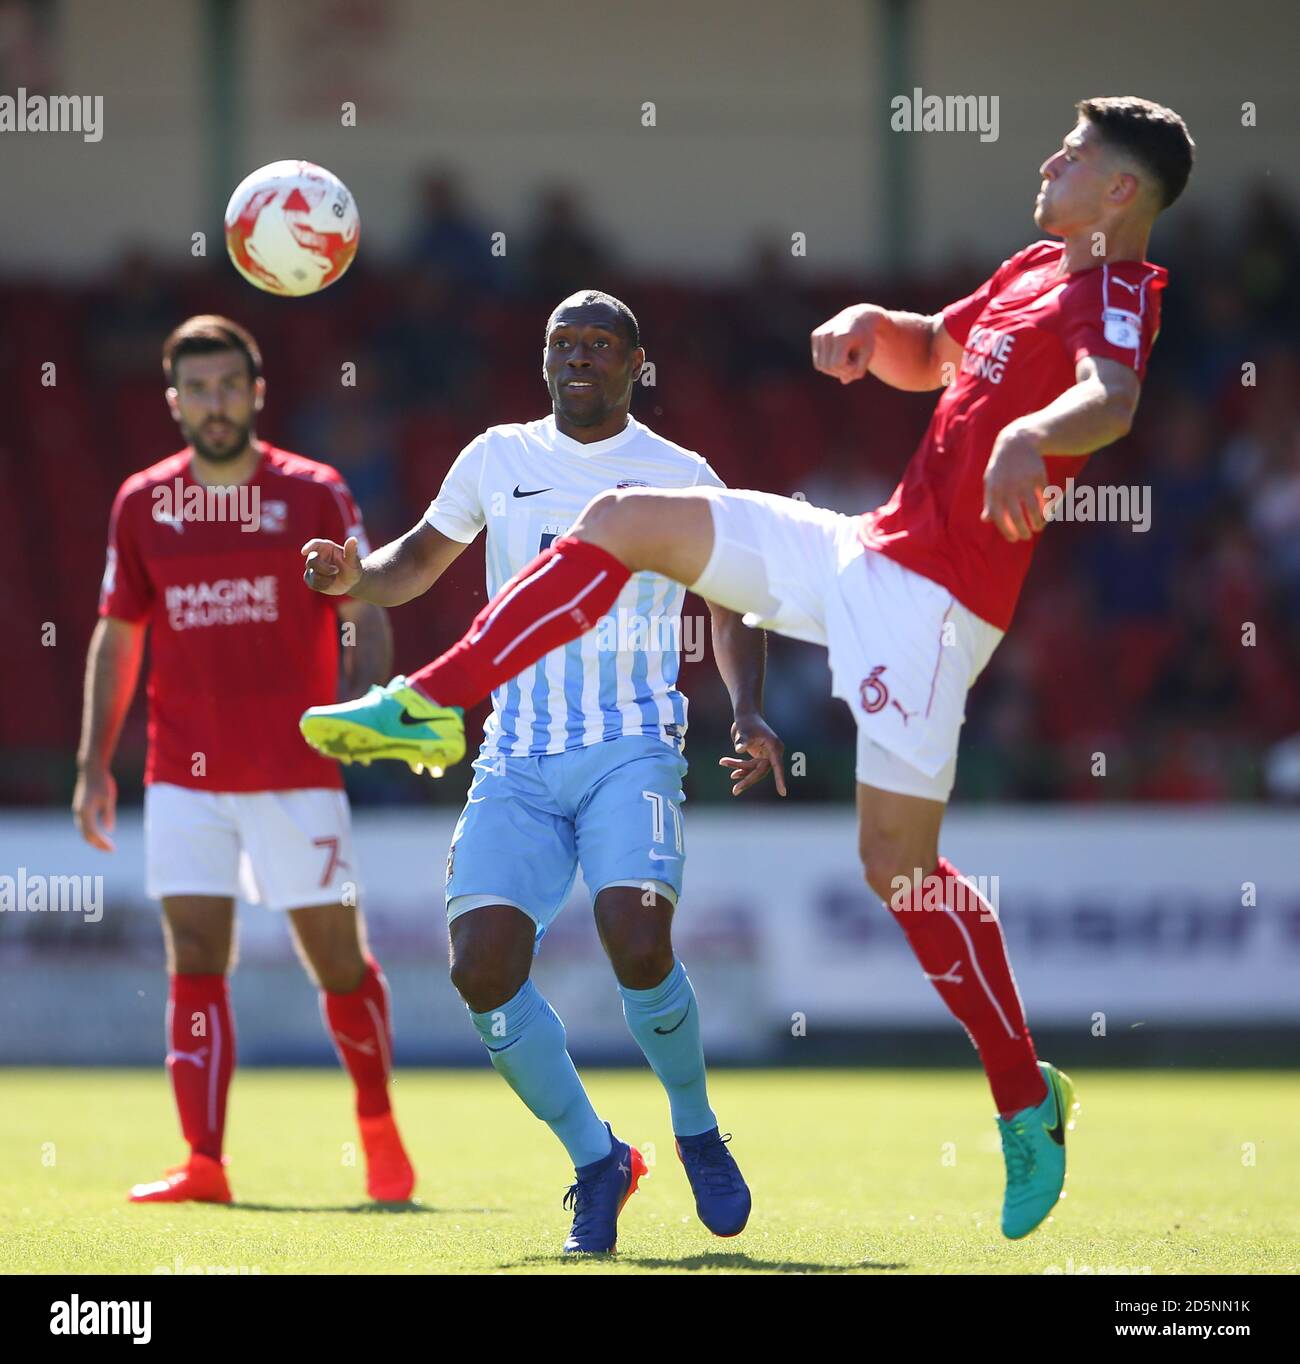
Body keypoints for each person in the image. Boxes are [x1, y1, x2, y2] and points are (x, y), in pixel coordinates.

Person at [299, 97, 1196, 1241]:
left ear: (1120, 193)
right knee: (624, 516)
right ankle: (432, 702)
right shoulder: (1028, 267)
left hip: (934, 609)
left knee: (898, 869)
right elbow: (935, 349)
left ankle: (1027, 1094)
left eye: (1073, 156)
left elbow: (1109, 401)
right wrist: (879, 326)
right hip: (865, 547)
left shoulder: (1114, 292)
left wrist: (1034, 436)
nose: (1051, 161)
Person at [300, 291, 781, 1254]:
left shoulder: (680, 475)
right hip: (515, 754)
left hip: (633, 743)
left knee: (636, 939)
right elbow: (418, 562)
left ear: (637, 364)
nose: (578, 359)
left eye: (600, 346)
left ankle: (695, 1131)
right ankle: (598, 1159)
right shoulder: (496, 457)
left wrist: (751, 710)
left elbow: (735, 602)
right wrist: (352, 576)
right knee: (480, 971)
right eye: (563, 343)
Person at [74, 315, 413, 1205]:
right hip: (181, 776)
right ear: (174, 400)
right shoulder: (141, 503)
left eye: (229, 386)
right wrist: (91, 763)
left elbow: (364, 609)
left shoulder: (315, 494)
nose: (214, 403)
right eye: (197, 388)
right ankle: (205, 1162)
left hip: (297, 772)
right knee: (193, 956)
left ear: (257, 394)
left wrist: (367, 705)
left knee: (338, 961)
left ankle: (379, 1132)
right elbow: (117, 637)